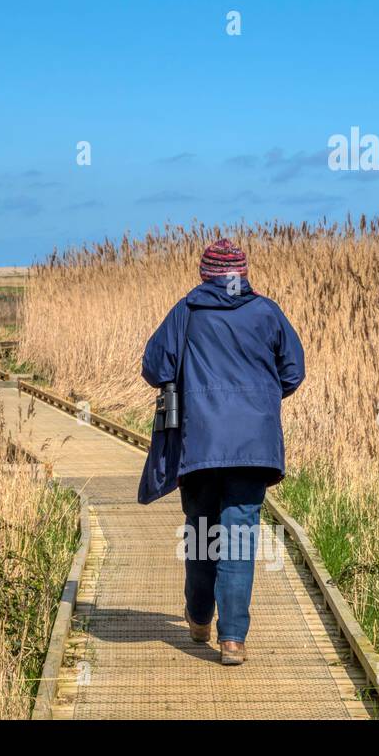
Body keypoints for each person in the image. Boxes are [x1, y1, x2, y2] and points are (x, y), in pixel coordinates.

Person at [136, 238, 305, 666]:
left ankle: (197, 617)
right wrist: (259, 399)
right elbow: (293, 371)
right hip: (254, 445)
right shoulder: (267, 313)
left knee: (201, 533)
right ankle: (232, 639)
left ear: (205, 274)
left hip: (201, 445)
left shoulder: (187, 312)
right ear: (242, 275)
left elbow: (154, 367)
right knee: (239, 537)